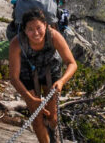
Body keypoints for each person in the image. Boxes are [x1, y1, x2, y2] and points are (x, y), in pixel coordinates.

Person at [9, 9, 77, 143]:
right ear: (24, 29)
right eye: (30, 29)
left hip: (51, 70)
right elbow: (14, 77)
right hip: (27, 72)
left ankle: (53, 132)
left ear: (45, 25)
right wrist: (30, 98)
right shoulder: (17, 43)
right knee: (37, 118)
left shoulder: (54, 36)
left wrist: (62, 82)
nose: (35, 33)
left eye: (39, 28)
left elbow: (72, 63)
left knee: (52, 116)